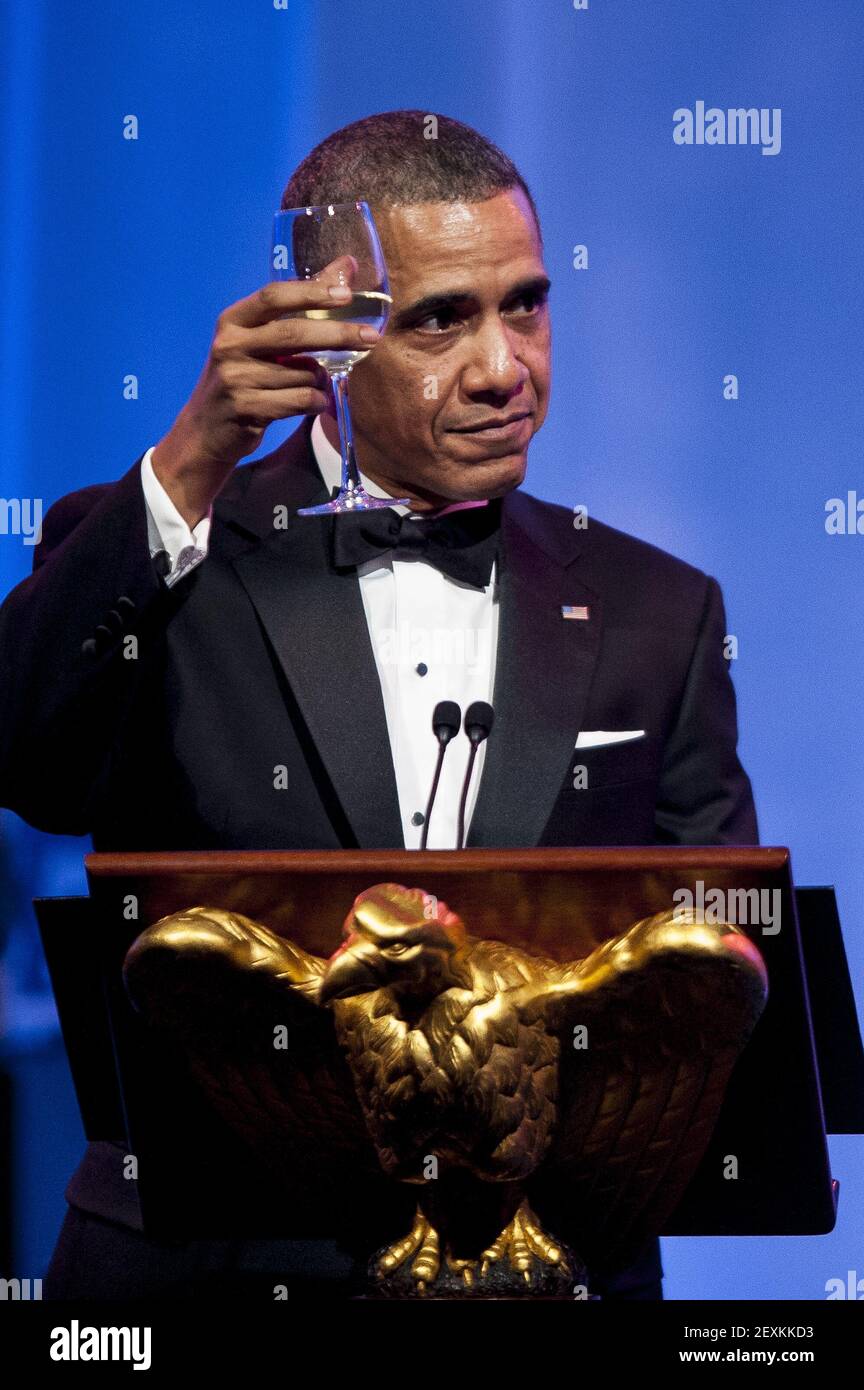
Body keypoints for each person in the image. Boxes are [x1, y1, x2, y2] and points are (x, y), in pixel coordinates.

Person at [0, 110, 757, 1300]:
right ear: (321, 336)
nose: (507, 367)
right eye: (441, 319)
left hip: (550, 1269)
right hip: (207, 1268)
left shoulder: (664, 609)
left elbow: (724, 960)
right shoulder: (163, 549)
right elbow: (32, 764)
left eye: (526, 303)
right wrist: (194, 456)